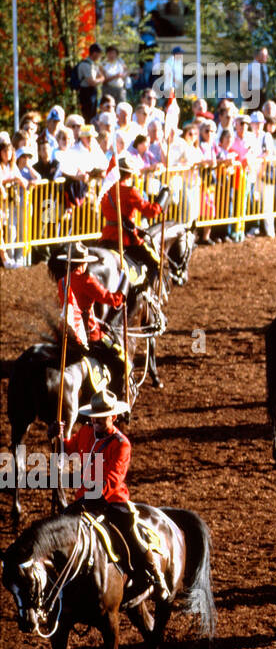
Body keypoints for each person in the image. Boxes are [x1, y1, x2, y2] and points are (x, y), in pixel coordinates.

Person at [63, 390, 172, 600]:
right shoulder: (85, 432)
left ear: (112, 417)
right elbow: (68, 449)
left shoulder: (121, 444)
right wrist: (58, 438)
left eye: (102, 417)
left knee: (131, 532)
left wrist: (94, 496)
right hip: (84, 499)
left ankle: (156, 574)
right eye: (94, 417)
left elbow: (114, 478)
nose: (96, 421)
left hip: (112, 501)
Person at [55, 240, 127, 380]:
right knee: (121, 361)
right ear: (82, 263)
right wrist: (124, 283)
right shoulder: (87, 281)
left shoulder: (63, 281)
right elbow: (112, 300)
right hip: (89, 332)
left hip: (65, 331)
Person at [99, 158, 164, 285]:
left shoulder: (106, 190)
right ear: (129, 174)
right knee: (155, 262)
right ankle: (146, 293)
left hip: (107, 237)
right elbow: (149, 212)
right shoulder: (130, 191)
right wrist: (161, 202)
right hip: (125, 238)